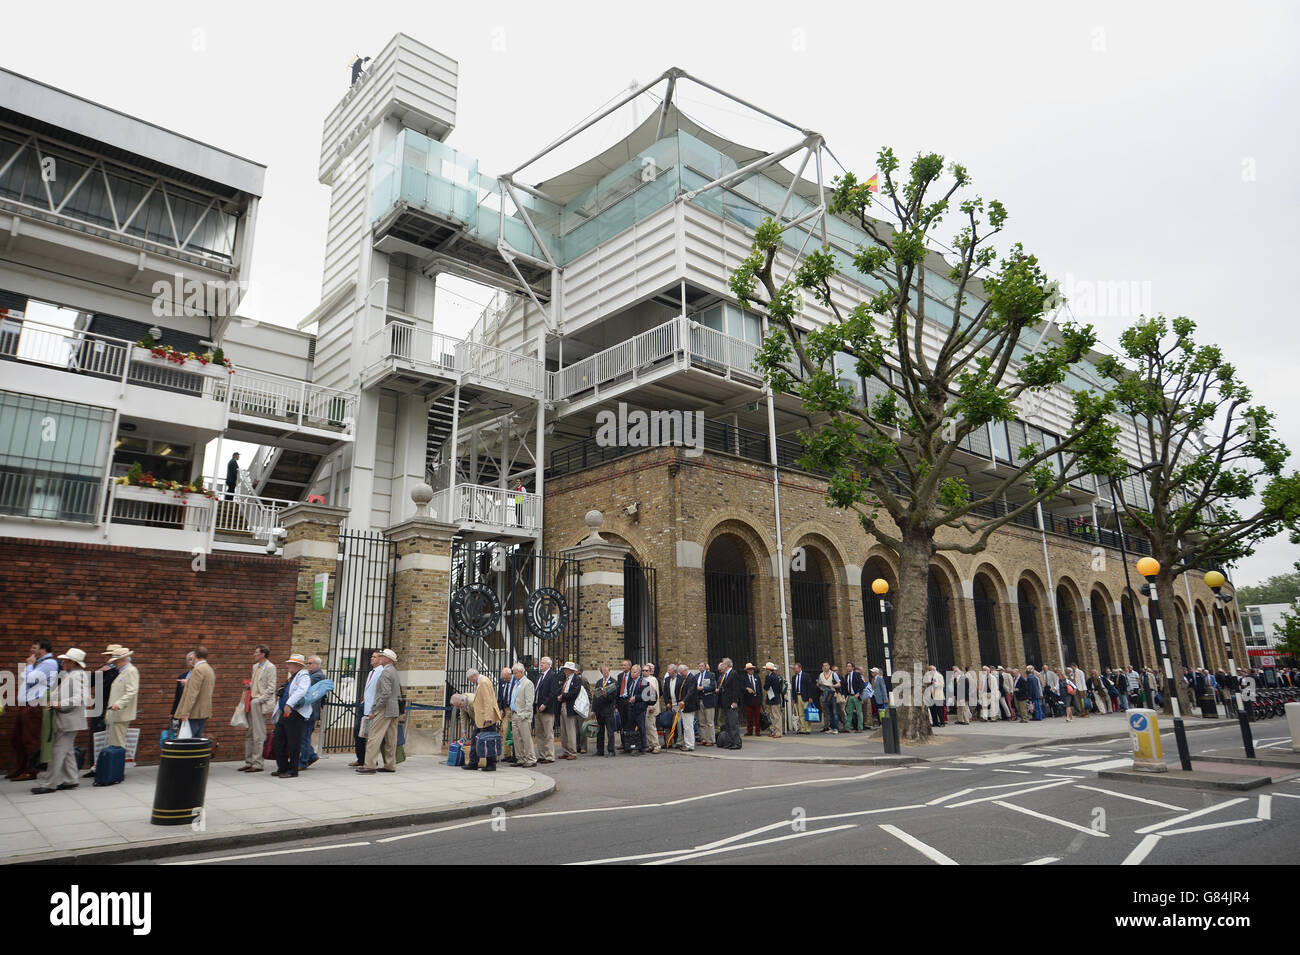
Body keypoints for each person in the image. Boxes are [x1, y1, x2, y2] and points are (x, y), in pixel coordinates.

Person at [30, 648, 90, 794]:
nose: (62, 663)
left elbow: (80, 697)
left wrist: (58, 703)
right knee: (67, 751)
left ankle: (49, 784)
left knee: (57, 752)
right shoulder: (72, 675)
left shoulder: (77, 676)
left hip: (68, 721)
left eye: (65, 660)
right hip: (67, 720)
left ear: (72, 662)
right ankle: (71, 780)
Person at [7, 639, 58, 781]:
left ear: (43, 650)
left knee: (30, 739)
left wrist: (29, 665)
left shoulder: (49, 663)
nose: (31, 650)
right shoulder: (40, 663)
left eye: (34, 647)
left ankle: (32, 770)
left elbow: (30, 679)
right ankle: (22, 768)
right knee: (17, 739)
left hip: (35, 706)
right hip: (27, 705)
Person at [357, 649, 400, 774]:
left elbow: (385, 693)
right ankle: (390, 765)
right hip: (394, 708)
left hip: (384, 708)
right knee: (391, 738)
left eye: (382, 656)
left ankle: (369, 765)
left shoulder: (386, 672)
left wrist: (375, 708)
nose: (380, 658)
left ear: (388, 659)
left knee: (374, 736)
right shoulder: (393, 671)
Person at [273, 653, 312, 778]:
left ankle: (292, 770)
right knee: (278, 740)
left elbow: (301, 691)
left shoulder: (304, 676)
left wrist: (289, 704)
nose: (288, 666)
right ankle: (282, 767)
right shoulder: (292, 677)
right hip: (285, 713)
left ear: (297, 665)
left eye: (290, 664)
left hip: (295, 713)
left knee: (294, 743)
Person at [241, 645, 277, 773]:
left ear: (263, 654)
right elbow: (256, 684)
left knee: (258, 733)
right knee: (249, 732)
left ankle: (258, 763)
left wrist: (259, 700)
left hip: (259, 703)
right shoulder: (255, 667)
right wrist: (248, 686)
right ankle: (249, 761)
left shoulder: (271, 667)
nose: (254, 654)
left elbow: (271, 688)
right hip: (251, 700)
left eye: (256, 652)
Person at [462, 668, 502, 772]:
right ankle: (473, 763)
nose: (471, 682)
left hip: (486, 718)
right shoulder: (482, 681)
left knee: (488, 741)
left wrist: (488, 717)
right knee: (475, 739)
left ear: (473, 676)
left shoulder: (483, 682)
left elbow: (488, 700)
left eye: (470, 679)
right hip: (480, 718)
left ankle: (491, 764)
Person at [174, 646, 214, 738]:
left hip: (194, 712)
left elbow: (192, 693)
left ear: (195, 655)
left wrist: (185, 712)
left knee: (189, 741)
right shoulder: (209, 669)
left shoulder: (198, 670)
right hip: (204, 711)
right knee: (198, 739)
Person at [104, 646, 139, 752]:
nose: (114, 664)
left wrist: (119, 704)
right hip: (117, 714)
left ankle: (117, 767)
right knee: (116, 743)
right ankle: (115, 767)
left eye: (116, 661)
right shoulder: (124, 671)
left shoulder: (131, 671)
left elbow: (132, 691)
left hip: (121, 714)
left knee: (118, 744)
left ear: (122, 660)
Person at [299, 655, 328, 770]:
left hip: (310, 712)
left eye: (310, 663)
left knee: (305, 736)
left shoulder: (318, 676)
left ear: (317, 665)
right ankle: (311, 755)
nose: (308, 665)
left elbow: (304, 686)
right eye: (307, 663)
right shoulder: (310, 675)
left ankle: (304, 761)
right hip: (307, 711)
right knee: (302, 736)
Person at [508, 662, 537, 767]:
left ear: (521, 672)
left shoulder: (527, 683)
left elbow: (529, 702)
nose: (514, 675)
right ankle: (521, 758)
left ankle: (531, 759)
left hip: (522, 715)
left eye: (515, 673)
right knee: (517, 738)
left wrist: (525, 715)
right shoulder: (516, 683)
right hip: (515, 714)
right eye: (513, 673)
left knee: (526, 738)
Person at [533, 656, 558, 764]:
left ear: (549, 665)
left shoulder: (552, 676)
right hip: (537, 708)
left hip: (546, 709)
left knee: (548, 733)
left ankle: (549, 756)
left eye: (543, 663)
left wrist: (545, 704)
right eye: (541, 663)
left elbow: (553, 692)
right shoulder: (540, 676)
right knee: (539, 733)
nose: (541, 664)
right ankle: (542, 754)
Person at [557, 661, 584, 760]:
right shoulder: (566, 679)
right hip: (563, 705)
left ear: (570, 670)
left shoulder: (576, 679)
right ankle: (566, 750)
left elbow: (574, 693)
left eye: (566, 669)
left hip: (569, 705)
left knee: (570, 729)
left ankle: (572, 751)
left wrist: (563, 696)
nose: (564, 671)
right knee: (564, 730)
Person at [716, 658, 744, 749]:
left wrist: (735, 701)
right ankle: (730, 742)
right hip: (726, 704)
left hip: (731, 703)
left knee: (733, 724)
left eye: (723, 664)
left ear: (727, 665)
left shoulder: (733, 674)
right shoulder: (725, 675)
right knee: (727, 724)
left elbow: (736, 689)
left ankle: (737, 743)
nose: (722, 666)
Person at [692, 661, 717, 746]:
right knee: (701, 722)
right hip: (699, 700)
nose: (700, 668)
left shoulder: (710, 675)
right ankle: (703, 738)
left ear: (705, 667)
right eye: (699, 666)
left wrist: (703, 688)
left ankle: (710, 740)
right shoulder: (696, 676)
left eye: (702, 666)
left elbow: (713, 686)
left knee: (709, 721)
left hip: (708, 700)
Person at [641, 662, 662, 753]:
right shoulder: (642, 680)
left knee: (651, 726)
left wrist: (652, 706)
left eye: (646, 670)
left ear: (650, 671)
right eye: (643, 670)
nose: (644, 672)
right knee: (646, 726)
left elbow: (655, 693)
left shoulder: (652, 680)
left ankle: (656, 745)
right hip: (644, 706)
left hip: (651, 706)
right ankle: (650, 744)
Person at [171, 651, 196, 722]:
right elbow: (177, 696)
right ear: (187, 662)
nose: (193, 661)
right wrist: (173, 712)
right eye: (190, 659)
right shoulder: (182, 677)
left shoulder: (200, 676)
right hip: (182, 711)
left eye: (194, 659)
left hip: (194, 712)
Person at [790, 662, 814, 733]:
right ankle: (803, 728)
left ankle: (808, 729)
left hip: (805, 697)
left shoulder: (806, 675)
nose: (795, 670)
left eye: (796, 668)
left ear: (800, 668)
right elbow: (793, 689)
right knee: (801, 714)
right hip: (798, 696)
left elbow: (809, 687)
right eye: (794, 669)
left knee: (806, 713)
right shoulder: (794, 677)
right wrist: (793, 698)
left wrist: (810, 697)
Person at [817, 662, 840, 734]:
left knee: (834, 712)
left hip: (832, 693)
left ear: (829, 666)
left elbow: (839, 684)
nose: (825, 667)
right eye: (823, 666)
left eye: (826, 666)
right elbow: (819, 684)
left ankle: (836, 728)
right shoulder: (821, 675)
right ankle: (831, 727)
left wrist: (832, 686)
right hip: (825, 694)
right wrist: (819, 684)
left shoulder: (833, 674)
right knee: (829, 712)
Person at [763, 662, 785, 738]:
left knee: (775, 716)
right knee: (774, 716)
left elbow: (765, 687)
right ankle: (775, 731)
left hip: (772, 698)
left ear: (768, 669)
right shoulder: (777, 677)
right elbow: (780, 689)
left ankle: (778, 732)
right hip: (776, 698)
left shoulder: (770, 677)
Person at [842, 663, 864, 732]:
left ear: (852, 667)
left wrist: (858, 693)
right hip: (850, 695)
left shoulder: (856, 674)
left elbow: (862, 684)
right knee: (849, 712)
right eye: (847, 666)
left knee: (859, 712)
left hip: (856, 695)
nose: (848, 668)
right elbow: (846, 686)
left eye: (849, 666)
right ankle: (847, 727)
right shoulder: (846, 676)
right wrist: (846, 696)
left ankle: (860, 728)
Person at [742, 663, 763, 736]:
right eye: (750, 669)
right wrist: (746, 688)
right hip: (748, 699)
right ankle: (749, 731)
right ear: (747, 670)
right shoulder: (744, 678)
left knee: (757, 716)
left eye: (752, 669)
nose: (751, 670)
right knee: (749, 716)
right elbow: (741, 687)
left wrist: (761, 700)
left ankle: (758, 731)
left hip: (757, 698)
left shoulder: (757, 677)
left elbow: (760, 689)